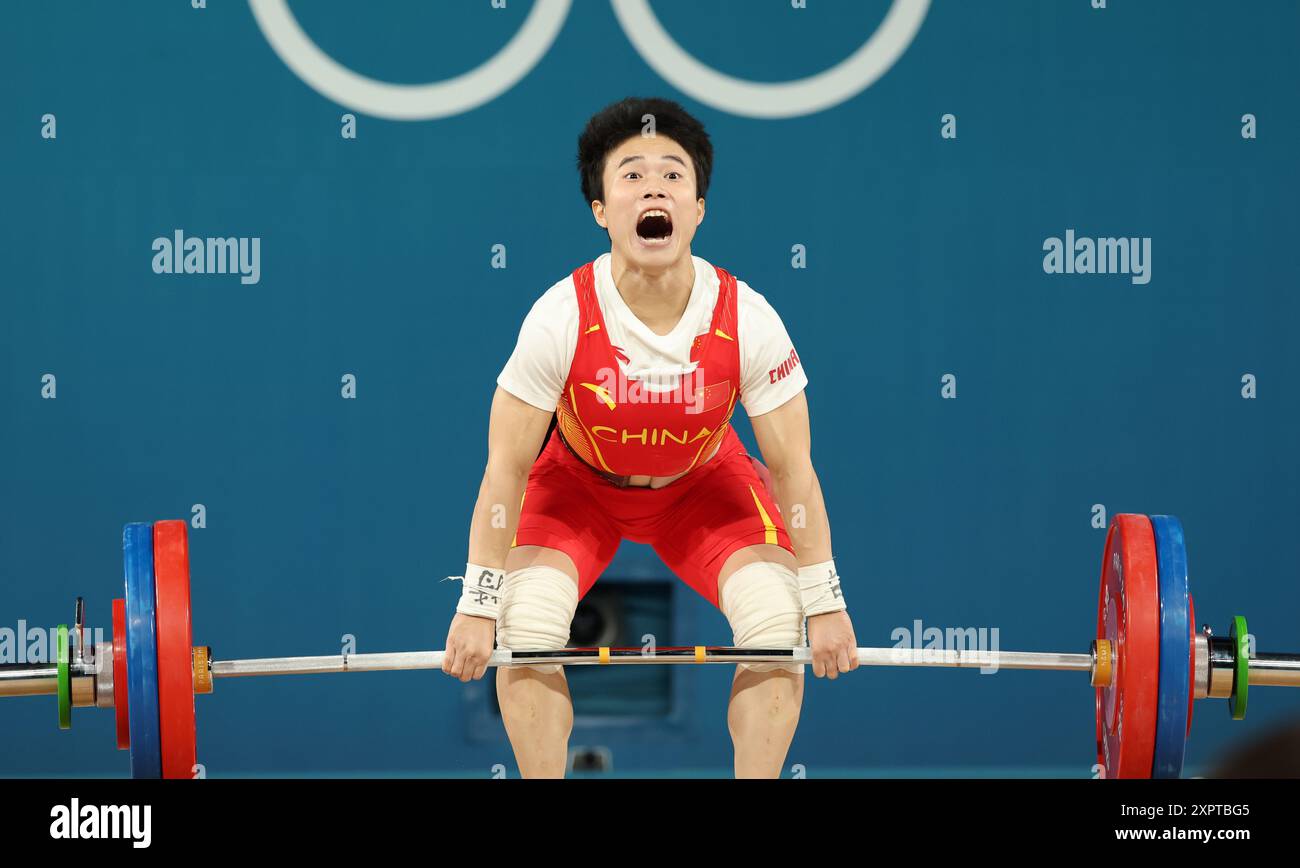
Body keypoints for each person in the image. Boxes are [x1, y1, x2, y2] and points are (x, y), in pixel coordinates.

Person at [441, 96, 857, 778]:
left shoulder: (748, 318)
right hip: (577, 488)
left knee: (778, 625)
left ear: (697, 208)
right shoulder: (557, 318)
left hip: (705, 488)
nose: (654, 185)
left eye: (674, 174)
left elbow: (793, 471)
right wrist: (477, 603)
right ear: (602, 209)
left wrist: (826, 601)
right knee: (526, 629)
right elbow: (505, 470)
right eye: (631, 174)